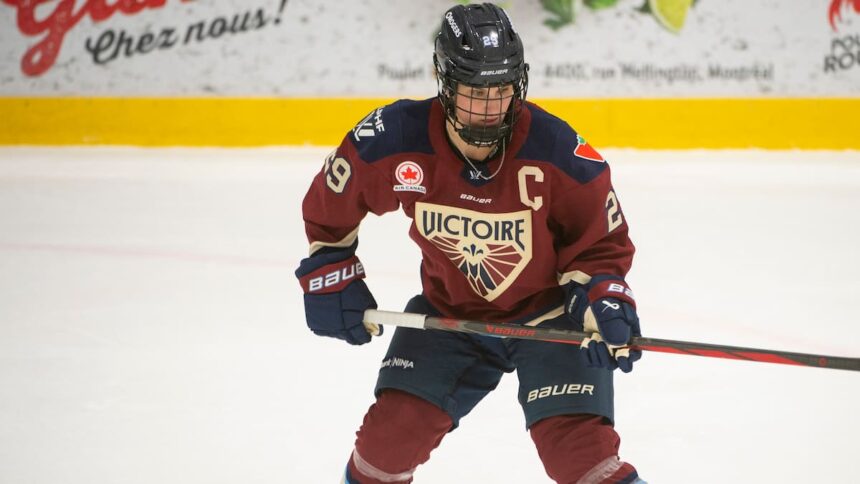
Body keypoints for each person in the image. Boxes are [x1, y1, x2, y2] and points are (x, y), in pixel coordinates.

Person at [295, 3, 644, 483]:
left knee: (582, 460)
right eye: (474, 92)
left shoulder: (560, 153)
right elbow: (331, 205)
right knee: (384, 447)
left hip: (548, 319)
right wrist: (329, 268)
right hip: (449, 316)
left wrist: (601, 299)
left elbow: (599, 247)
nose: (489, 107)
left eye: (500, 91)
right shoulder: (393, 137)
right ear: (445, 83)